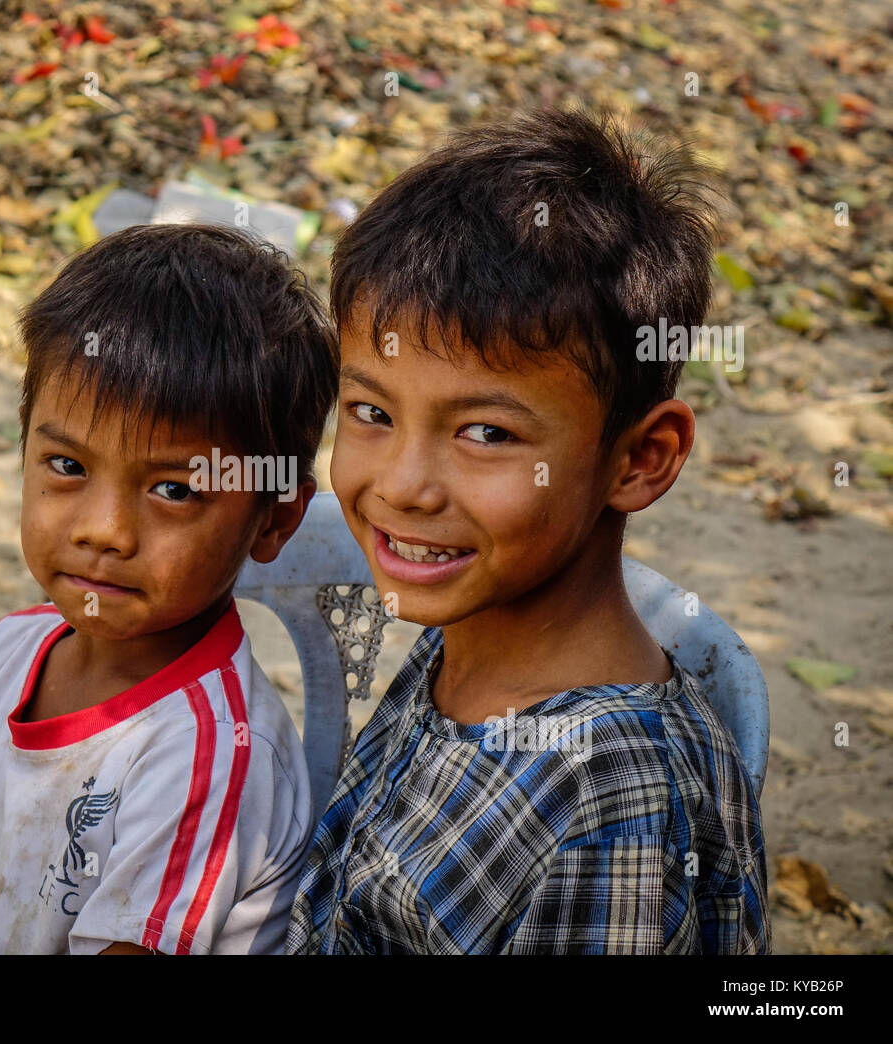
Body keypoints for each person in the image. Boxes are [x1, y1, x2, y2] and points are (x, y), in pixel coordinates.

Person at [286, 109, 771, 954]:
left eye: (486, 434)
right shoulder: (471, 625)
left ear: (640, 459)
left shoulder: (615, 813)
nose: (401, 484)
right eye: (370, 411)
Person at [0, 223, 338, 954]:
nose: (105, 531)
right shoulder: (8, 653)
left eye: (174, 489)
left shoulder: (209, 757)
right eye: (67, 466)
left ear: (273, 520)